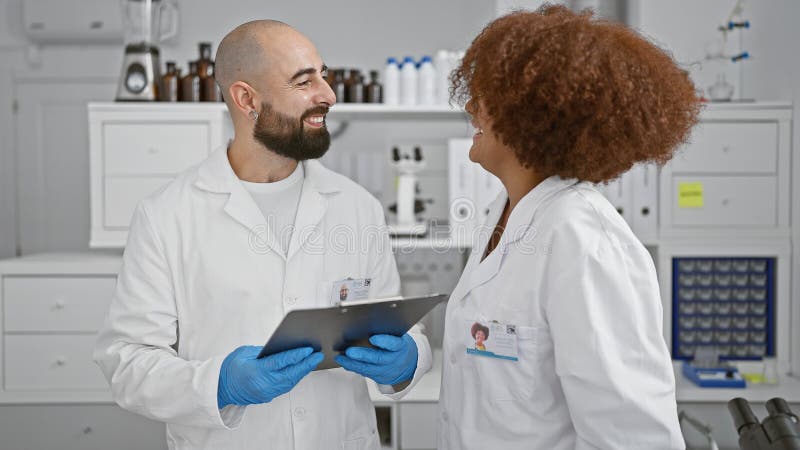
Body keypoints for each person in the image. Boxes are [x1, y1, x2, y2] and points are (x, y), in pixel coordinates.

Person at [93, 20, 431, 450]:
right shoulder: (167, 214)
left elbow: (399, 327)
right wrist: (221, 384)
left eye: (323, 75)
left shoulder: (356, 206)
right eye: (303, 81)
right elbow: (126, 362)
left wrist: (408, 362)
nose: (327, 94)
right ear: (245, 98)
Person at [438, 6, 700, 450]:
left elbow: (631, 438)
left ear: (534, 114)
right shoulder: (502, 215)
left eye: (485, 96)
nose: (469, 107)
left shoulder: (583, 238)